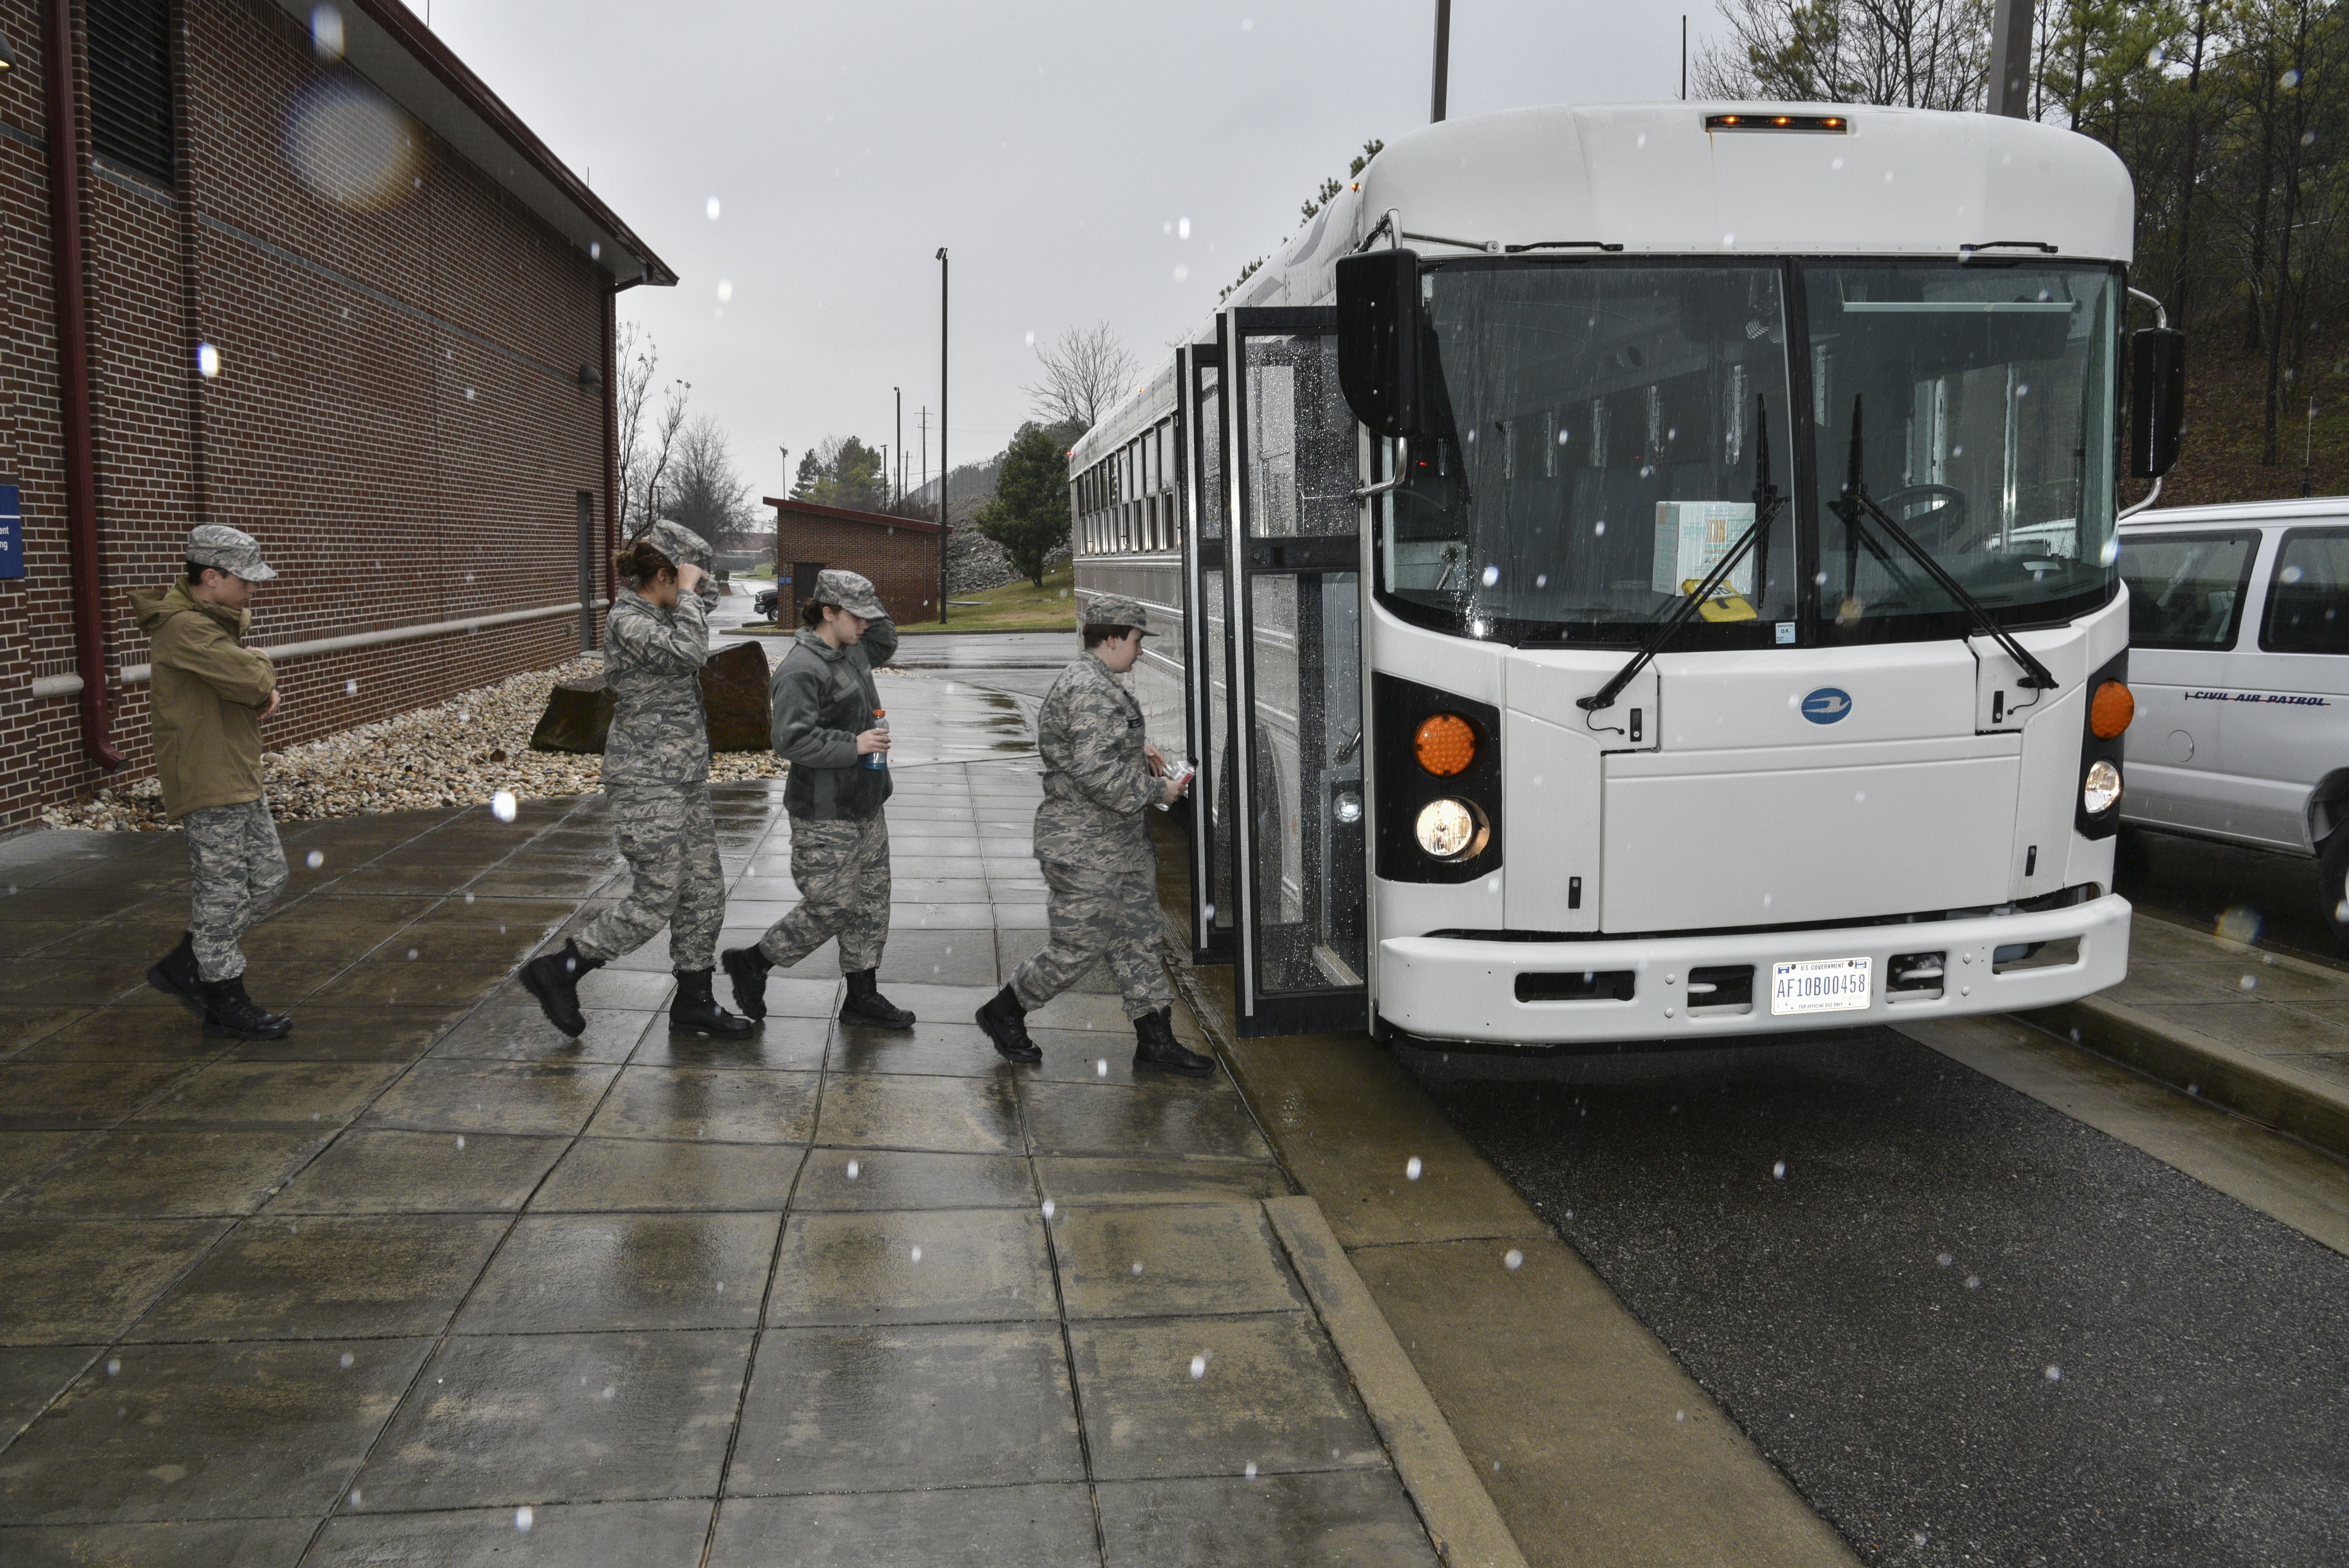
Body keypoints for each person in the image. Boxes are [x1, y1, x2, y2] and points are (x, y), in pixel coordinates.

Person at [520, 521, 754, 1040]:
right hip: (647, 783)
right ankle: (561, 969)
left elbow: (701, 605)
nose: (699, 589)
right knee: (658, 896)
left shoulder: (668, 609)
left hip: (683, 779)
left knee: (704, 892)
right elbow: (690, 652)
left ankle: (694, 1000)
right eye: (689, 579)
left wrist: (690, 582)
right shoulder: (630, 620)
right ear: (665, 576)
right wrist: (687, 589)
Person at [975, 596, 1213, 1076]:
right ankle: (1005, 1010)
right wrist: (1158, 788)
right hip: (1085, 847)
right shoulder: (1089, 688)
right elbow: (1098, 775)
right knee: (1078, 946)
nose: (1140, 651)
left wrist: (1134, 746)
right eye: (1136, 640)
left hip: (1116, 845)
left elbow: (1096, 750)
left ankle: (1156, 1041)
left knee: (1139, 939)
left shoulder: (1100, 683)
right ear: (1111, 639)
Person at [722, 569, 914, 1029]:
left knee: (870, 902)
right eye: (856, 615)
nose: (866, 624)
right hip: (825, 810)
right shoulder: (801, 669)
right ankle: (753, 962)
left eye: (867, 616)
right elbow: (790, 740)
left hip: (866, 801)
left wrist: (865, 596)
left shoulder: (853, 648)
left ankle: (862, 997)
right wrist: (855, 745)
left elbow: (886, 637)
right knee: (834, 906)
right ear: (828, 612)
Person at [136, 526, 294, 1041]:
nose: (253, 590)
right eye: (245, 580)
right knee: (222, 894)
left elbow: (245, 681)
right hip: (209, 779)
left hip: (235, 770)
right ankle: (227, 1001)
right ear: (211, 576)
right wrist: (261, 671)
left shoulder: (212, 624)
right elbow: (252, 682)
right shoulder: (186, 628)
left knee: (268, 879)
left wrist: (253, 676)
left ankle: (189, 962)